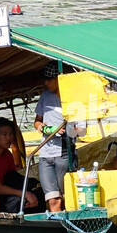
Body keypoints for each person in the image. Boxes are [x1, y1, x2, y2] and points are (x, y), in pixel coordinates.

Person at [0, 116, 41, 213]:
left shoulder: (7, 154)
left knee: (38, 192)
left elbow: (14, 179)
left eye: (11, 134)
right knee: (20, 200)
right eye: (5, 134)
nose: (9, 138)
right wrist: (25, 194)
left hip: (7, 189)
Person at [34, 68, 68, 212]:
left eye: (49, 79)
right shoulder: (45, 96)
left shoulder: (71, 97)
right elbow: (37, 121)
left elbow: (81, 129)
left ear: (59, 79)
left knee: (65, 198)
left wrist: (65, 130)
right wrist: (41, 126)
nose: (46, 83)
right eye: (45, 79)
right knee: (53, 200)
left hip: (64, 152)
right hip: (46, 153)